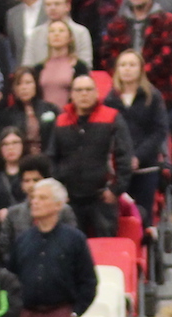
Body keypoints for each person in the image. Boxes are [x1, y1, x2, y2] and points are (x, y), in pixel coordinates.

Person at [4, 179, 95, 317]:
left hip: (60, 313)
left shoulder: (74, 239)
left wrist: (75, 313)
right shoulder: (23, 239)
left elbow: (88, 280)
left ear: (58, 205)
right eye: (33, 198)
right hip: (28, 315)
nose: (35, 202)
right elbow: (11, 277)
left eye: (42, 198)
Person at [100, 0, 172, 187]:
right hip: (124, 90)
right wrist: (125, 76)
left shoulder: (166, 20)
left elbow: (167, 55)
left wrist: (138, 75)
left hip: (163, 89)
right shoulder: (116, 22)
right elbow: (107, 54)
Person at [48, 73, 137, 238]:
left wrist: (115, 190)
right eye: (79, 90)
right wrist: (59, 192)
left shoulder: (112, 118)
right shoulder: (60, 121)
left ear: (96, 93)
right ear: (72, 95)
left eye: (88, 90)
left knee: (106, 247)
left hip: (102, 198)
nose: (84, 94)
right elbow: (52, 158)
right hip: (70, 199)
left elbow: (124, 157)